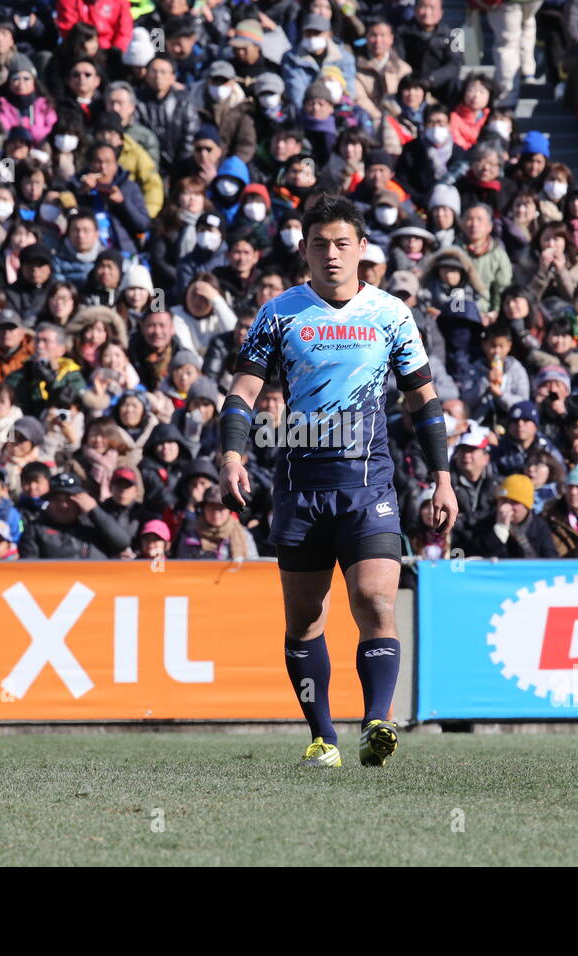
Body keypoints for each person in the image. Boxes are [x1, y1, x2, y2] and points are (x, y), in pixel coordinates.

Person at [217, 194, 457, 769]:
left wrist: (442, 477)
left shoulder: (392, 315)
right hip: (299, 488)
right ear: (303, 249)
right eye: (320, 243)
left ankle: (377, 721)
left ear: (363, 250)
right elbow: (242, 393)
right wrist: (231, 456)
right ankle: (323, 738)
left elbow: (423, 400)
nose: (331, 254)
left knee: (375, 598)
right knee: (304, 620)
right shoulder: (279, 313)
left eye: (342, 243)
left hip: (369, 484)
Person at [18, 471, 131, 558]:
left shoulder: (94, 525)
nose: (63, 505)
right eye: (57, 500)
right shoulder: (35, 529)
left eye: (70, 500)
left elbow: (122, 543)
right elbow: (30, 568)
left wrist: (95, 510)